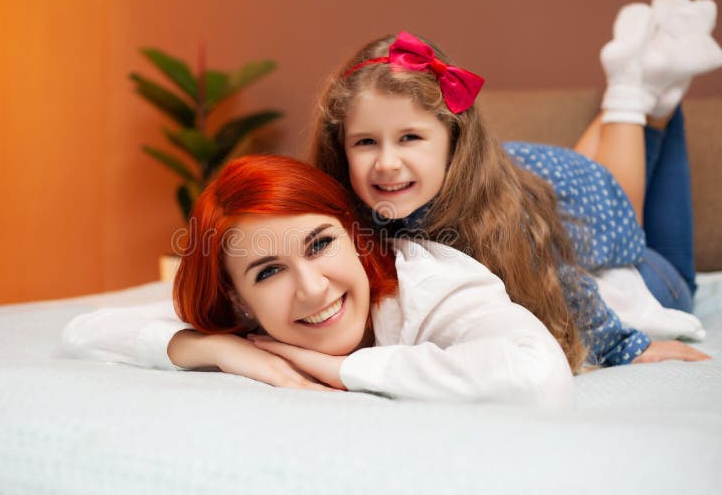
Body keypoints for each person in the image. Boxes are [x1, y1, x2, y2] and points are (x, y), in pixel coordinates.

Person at [310, 0, 720, 368]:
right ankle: (650, 95)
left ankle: (649, 99)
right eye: (365, 143)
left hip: (625, 259)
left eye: (410, 138)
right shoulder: (358, 213)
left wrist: (629, 347)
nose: (386, 163)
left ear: (453, 141)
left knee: (681, 284)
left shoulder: (493, 217)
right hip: (558, 188)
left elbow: (565, 287)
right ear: (340, 146)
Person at [62, 155, 575, 408]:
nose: (311, 289)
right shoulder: (243, 322)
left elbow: (538, 376)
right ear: (239, 300)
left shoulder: (435, 284)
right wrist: (218, 350)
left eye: (319, 244)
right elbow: (83, 332)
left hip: (572, 233)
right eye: (268, 272)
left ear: (354, 234)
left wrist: (342, 368)